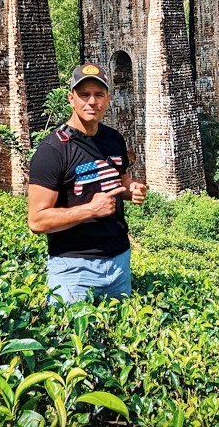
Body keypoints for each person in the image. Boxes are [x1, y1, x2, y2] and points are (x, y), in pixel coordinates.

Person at [27, 63, 147, 303]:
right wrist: (90, 210)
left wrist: (131, 189)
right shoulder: (53, 150)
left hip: (119, 260)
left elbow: (119, 179)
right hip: (74, 266)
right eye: (84, 94)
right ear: (71, 98)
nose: (92, 101)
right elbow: (36, 220)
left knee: (119, 336)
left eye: (98, 94)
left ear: (108, 98)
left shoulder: (114, 139)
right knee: (69, 338)